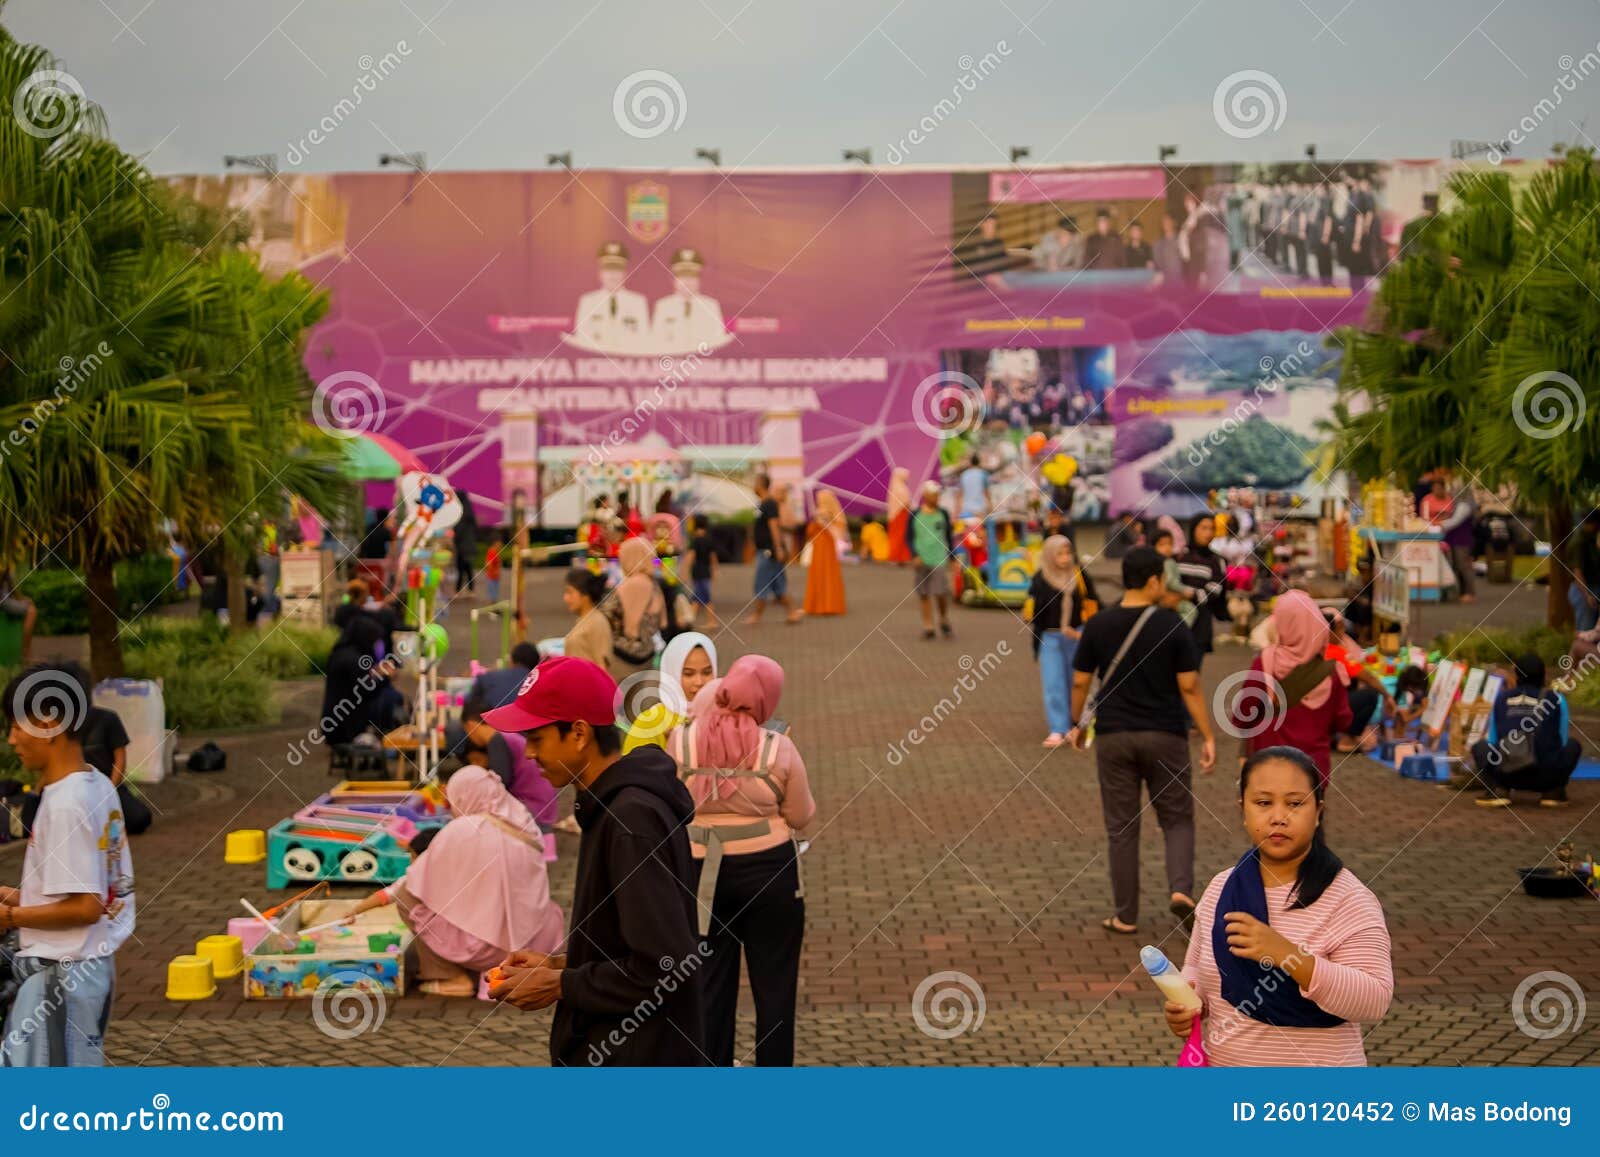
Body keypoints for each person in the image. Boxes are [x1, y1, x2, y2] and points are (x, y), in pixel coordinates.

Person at [485, 656, 706, 1067]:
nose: (528, 754)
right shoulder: (609, 806)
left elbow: (665, 966)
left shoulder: (630, 820)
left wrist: (560, 985)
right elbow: (633, 946)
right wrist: (561, 965)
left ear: (579, 733)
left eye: (536, 738)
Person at [1165, 746, 1394, 1066]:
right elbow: (1197, 972)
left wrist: (1289, 956)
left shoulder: (1348, 898)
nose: (1278, 817)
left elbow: (1374, 1000)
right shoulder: (1222, 888)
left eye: (1295, 803)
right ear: (1243, 810)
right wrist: (1190, 1005)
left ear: (1318, 812)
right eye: (1263, 803)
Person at [667, 655, 815, 1066]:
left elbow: (670, 805)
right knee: (775, 988)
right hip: (770, 873)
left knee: (710, 987)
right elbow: (801, 815)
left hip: (701, 877)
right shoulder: (776, 746)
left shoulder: (681, 740)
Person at [1068, 547, 1216, 934]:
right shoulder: (1172, 624)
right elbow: (1190, 686)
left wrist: (1076, 722)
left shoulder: (1100, 624)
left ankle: (1125, 915)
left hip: (1115, 736)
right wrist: (1209, 734)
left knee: (1121, 826)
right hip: (1165, 734)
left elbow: (1081, 679)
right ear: (1153, 580)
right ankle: (1181, 891)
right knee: (1177, 818)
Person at [1, 664, 136, 1066]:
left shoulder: (66, 804)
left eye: (16, 726)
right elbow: (86, 887)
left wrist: (10, 916)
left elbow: (85, 906)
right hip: (85, 970)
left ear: (49, 723)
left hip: (61, 978)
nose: (11, 739)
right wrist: (19, 896)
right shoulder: (94, 783)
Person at [344, 765, 563, 996]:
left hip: (492, 951)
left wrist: (357, 908)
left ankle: (448, 977)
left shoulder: (463, 830)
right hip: (537, 944)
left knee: (410, 895)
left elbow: (408, 884)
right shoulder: (525, 825)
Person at [1229, 591, 1353, 785]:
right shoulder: (1332, 671)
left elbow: (1243, 715)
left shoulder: (1264, 663)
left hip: (1268, 771)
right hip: (1313, 773)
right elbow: (1343, 721)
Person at [1471, 654, 1581, 808]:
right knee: (1572, 745)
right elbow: (1561, 741)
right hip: (1546, 776)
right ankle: (1553, 792)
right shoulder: (1556, 699)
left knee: (1480, 746)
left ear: (1517, 675)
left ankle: (1497, 789)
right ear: (1543, 675)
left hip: (1507, 774)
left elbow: (1493, 740)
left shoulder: (1502, 698)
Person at [447, 692, 559, 831]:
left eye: (467, 732)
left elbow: (498, 785)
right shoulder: (505, 736)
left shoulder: (497, 740)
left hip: (533, 811)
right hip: (543, 806)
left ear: (470, 726)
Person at [1030, 535, 1098, 748]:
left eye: (1068, 553)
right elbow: (1034, 613)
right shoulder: (1041, 579)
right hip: (1050, 637)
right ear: (1049, 555)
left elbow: (1093, 602)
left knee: (1076, 682)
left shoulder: (1079, 575)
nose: (1065, 558)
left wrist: (1087, 631)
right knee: (1054, 683)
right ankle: (1057, 728)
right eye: (1060, 553)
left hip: (1077, 636)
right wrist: (1036, 641)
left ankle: (1075, 725)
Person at [623, 631, 719, 755]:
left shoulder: (728, 717)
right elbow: (633, 771)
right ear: (671, 673)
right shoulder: (649, 723)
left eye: (706, 672)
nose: (699, 682)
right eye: (688, 674)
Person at [320, 615, 405, 746]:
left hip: (332, 725)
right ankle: (395, 738)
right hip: (345, 728)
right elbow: (367, 691)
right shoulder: (354, 659)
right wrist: (385, 676)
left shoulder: (340, 653)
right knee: (390, 698)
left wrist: (376, 672)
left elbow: (355, 683)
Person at [79, 703, 152, 836]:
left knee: (140, 819)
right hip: (78, 789)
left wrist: (109, 792)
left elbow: (120, 759)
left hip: (109, 785)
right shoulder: (62, 725)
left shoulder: (108, 718)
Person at [567, 240, 651, 354]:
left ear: (625, 272)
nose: (612, 274)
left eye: (617, 268)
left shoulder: (638, 302)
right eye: (608, 268)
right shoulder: (588, 301)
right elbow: (581, 340)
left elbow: (644, 341)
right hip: (595, 363)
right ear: (600, 273)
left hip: (628, 363)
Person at [602, 538, 666, 671]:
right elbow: (662, 623)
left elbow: (606, 615)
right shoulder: (654, 583)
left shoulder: (633, 584)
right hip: (647, 653)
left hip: (624, 657)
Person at [746, 473, 800, 625]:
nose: (753, 486)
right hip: (765, 550)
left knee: (762, 582)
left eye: (754, 482)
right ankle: (792, 613)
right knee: (778, 585)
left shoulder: (769, 503)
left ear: (760, 484)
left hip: (769, 551)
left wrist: (778, 548)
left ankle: (757, 616)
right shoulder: (763, 503)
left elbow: (774, 526)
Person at [1177, 513, 1230, 661]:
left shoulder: (1217, 560)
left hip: (1200, 625)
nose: (1208, 533)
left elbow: (1214, 591)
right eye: (1203, 528)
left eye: (1211, 528)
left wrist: (1190, 594)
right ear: (1193, 529)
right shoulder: (1179, 555)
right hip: (1175, 621)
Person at [909, 481, 956, 640]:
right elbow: (909, 537)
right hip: (922, 559)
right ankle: (928, 625)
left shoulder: (943, 514)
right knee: (924, 594)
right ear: (926, 496)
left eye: (938, 495)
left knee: (941, 592)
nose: (937, 498)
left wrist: (952, 557)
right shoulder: (915, 514)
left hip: (939, 559)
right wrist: (914, 555)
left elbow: (949, 536)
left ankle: (943, 618)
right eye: (934, 495)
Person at [1420, 475, 1477, 602]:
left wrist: (1439, 524)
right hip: (1453, 537)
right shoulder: (1456, 502)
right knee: (1456, 565)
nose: (1451, 491)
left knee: (1463, 565)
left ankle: (1470, 593)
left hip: (1462, 539)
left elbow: (1455, 521)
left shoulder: (1464, 504)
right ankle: (1462, 593)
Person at [803, 491, 847, 617]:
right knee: (817, 576)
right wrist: (815, 520)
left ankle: (829, 606)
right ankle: (816, 606)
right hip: (817, 552)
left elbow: (839, 535)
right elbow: (810, 533)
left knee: (828, 576)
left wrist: (826, 522)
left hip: (828, 553)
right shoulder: (817, 513)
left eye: (821, 500)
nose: (819, 502)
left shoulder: (837, 516)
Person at [561, 567, 613, 674]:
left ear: (584, 595)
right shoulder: (585, 620)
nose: (565, 598)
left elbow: (602, 668)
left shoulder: (597, 622)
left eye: (570, 592)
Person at [469, 642, 541, 710]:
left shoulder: (486, 678)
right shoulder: (542, 682)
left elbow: (469, 705)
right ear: (537, 663)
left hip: (492, 721)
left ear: (512, 660)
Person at [684, 515, 720, 629]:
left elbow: (691, 556)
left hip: (697, 571)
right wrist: (714, 571)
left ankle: (706, 621)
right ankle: (692, 620)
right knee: (699, 597)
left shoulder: (695, 540)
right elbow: (713, 557)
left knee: (702, 597)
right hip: (706, 571)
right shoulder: (709, 539)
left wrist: (684, 571)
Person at [1569, 510, 1600, 632]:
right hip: (1584, 591)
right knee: (1585, 631)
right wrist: (1587, 595)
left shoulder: (1590, 540)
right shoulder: (1579, 542)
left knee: (1593, 632)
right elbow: (1577, 572)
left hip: (1593, 589)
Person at [0, 569, 36, 664]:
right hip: (2, 600)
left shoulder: (7, 562)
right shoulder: (5, 561)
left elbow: (11, 587)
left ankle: (26, 652)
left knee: (29, 602)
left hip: (5, 598)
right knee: (31, 611)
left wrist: (20, 598)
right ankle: (25, 653)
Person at [886, 467, 914, 564]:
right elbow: (907, 503)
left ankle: (901, 557)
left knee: (901, 537)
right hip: (900, 516)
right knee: (899, 537)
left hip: (898, 516)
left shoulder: (895, 487)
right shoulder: (900, 488)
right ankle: (895, 557)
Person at [958, 453, 989, 520]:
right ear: (979, 462)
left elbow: (960, 494)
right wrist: (991, 507)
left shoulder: (964, 475)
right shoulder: (983, 474)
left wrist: (958, 511)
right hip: (980, 510)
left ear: (970, 463)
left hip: (966, 509)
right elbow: (987, 493)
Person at [483, 529, 505, 605]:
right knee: (492, 595)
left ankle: (494, 608)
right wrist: (494, 571)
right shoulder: (492, 551)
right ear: (495, 542)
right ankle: (492, 609)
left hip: (495, 577)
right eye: (500, 542)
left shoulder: (496, 551)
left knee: (495, 594)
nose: (501, 544)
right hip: (492, 577)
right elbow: (488, 564)